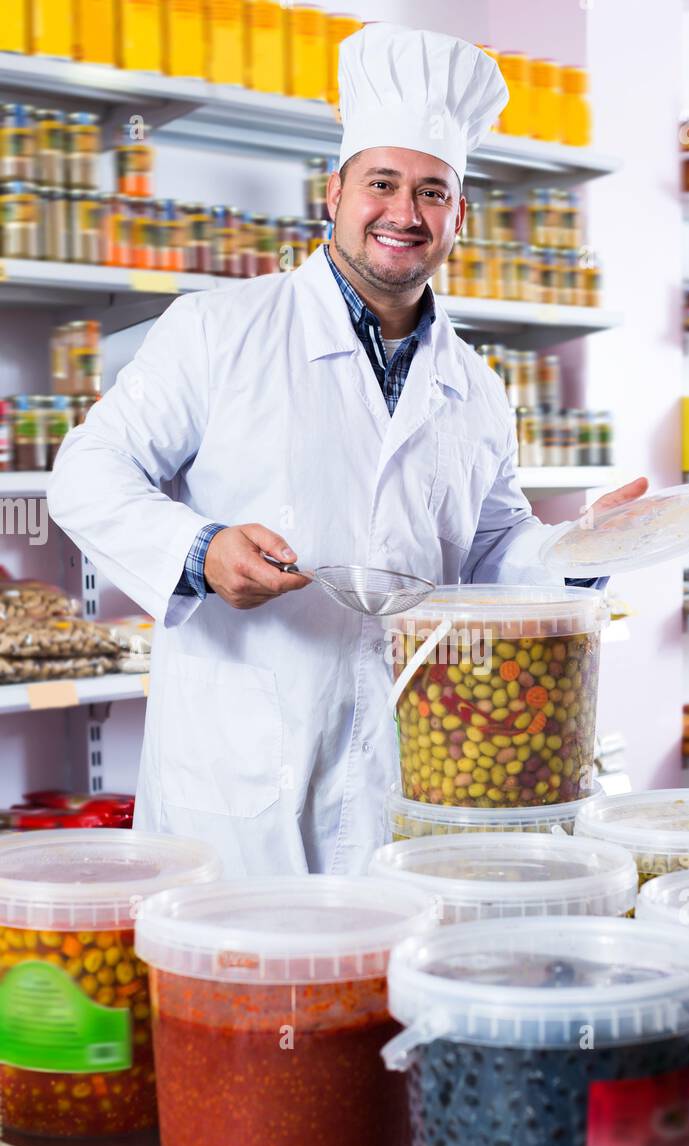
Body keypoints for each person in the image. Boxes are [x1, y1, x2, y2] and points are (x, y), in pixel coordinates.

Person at [48, 24, 646, 876]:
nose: (404, 214)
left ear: (460, 217)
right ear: (333, 193)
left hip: (406, 767)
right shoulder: (221, 330)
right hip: (238, 767)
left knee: (386, 988)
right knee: (241, 989)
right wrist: (200, 549)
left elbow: (486, 551)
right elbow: (88, 471)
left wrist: (582, 550)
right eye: (382, 183)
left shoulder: (475, 385)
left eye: (433, 192)